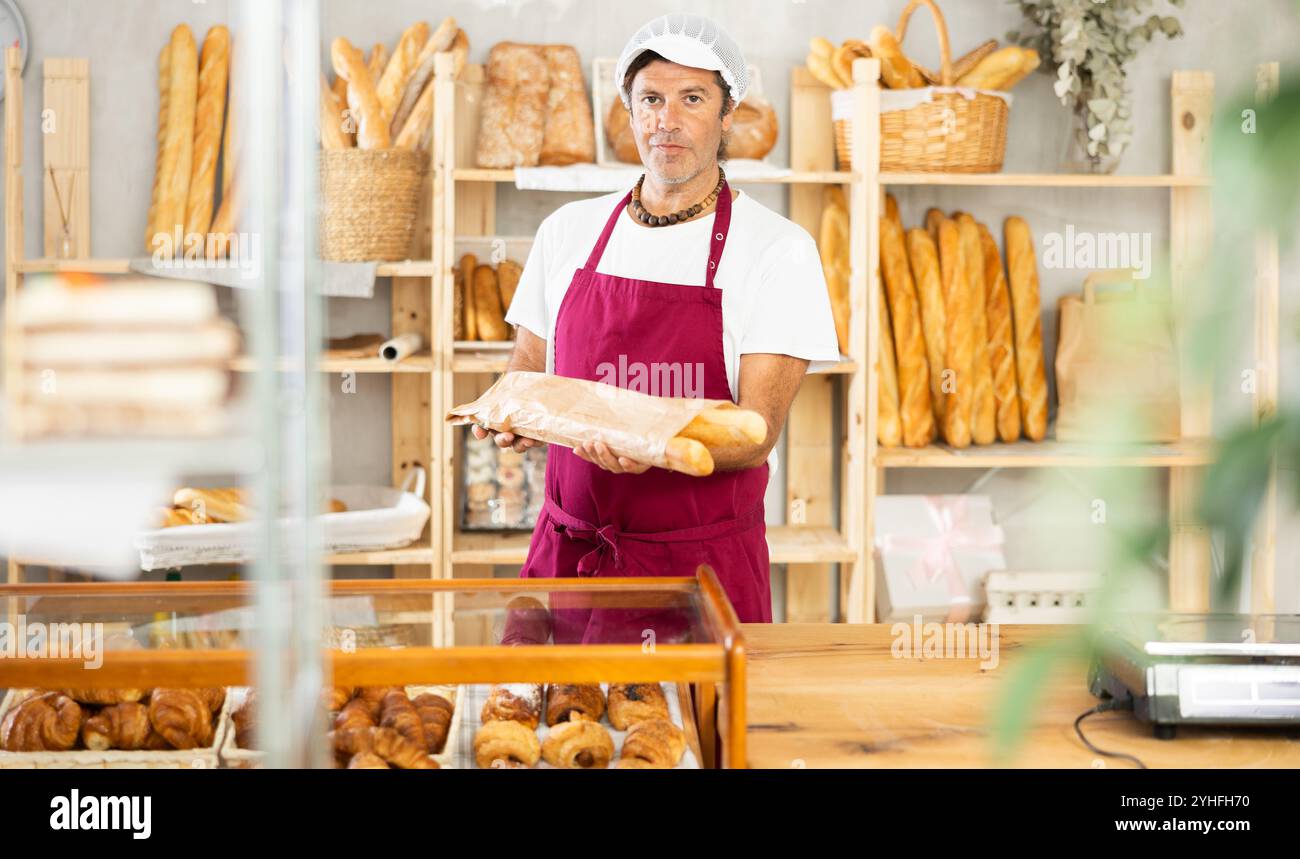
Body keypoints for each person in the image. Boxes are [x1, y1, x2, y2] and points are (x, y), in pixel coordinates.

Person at [480, 13, 840, 642]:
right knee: (561, 729)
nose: (665, 120)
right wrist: (511, 416)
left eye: (692, 99)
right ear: (630, 111)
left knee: (699, 738)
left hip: (696, 577)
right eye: (650, 98)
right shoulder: (567, 230)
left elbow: (756, 433)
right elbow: (526, 373)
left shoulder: (778, 249)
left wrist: (648, 449)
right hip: (572, 557)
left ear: (729, 115)